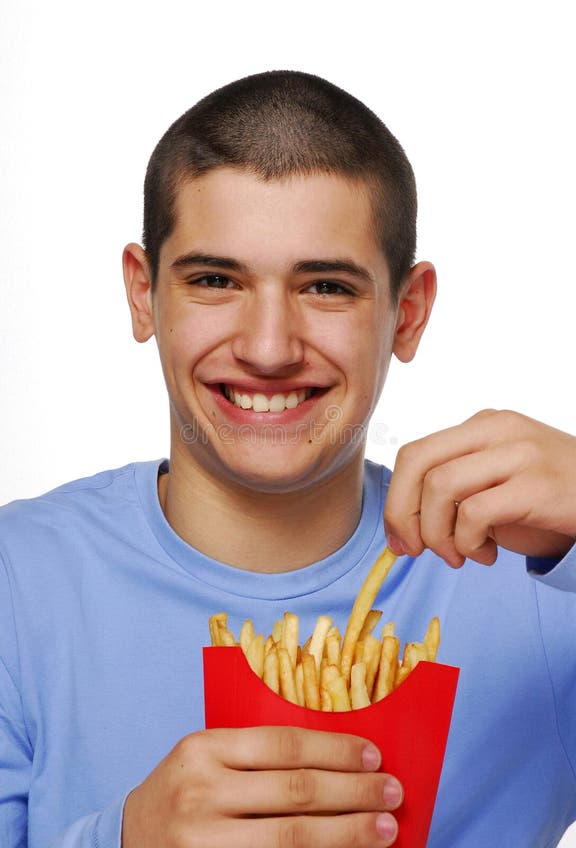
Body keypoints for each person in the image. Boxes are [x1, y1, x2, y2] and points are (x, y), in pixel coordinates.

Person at [1, 70, 575, 848]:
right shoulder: (17, 583)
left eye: (327, 287)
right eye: (214, 280)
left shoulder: (538, 589)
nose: (269, 348)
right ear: (143, 295)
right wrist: (124, 838)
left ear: (407, 313)